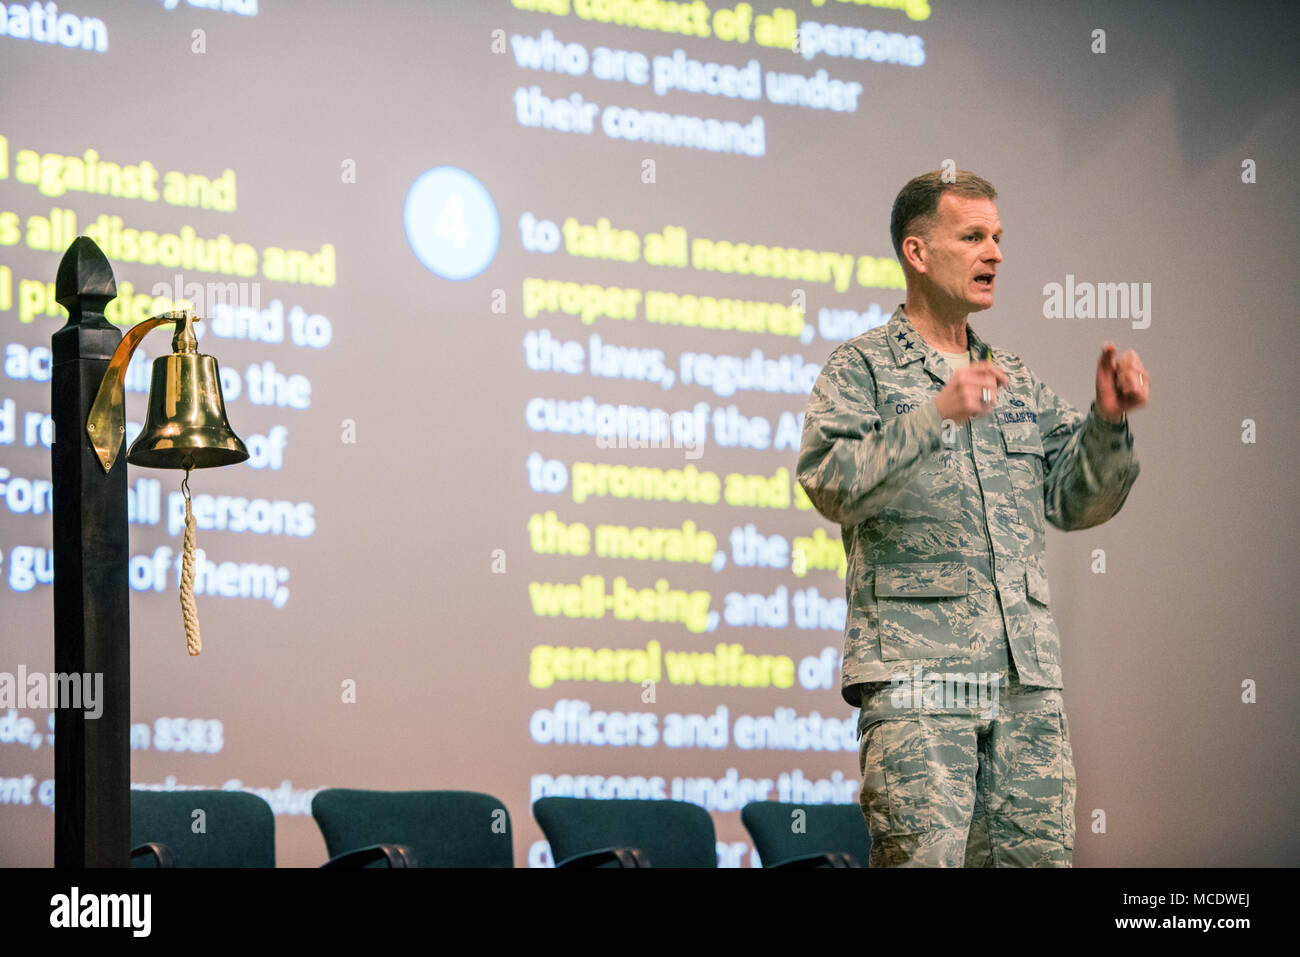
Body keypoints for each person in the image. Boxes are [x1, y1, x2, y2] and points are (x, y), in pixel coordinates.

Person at [796, 169, 1149, 867]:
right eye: (973, 236)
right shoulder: (863, 368)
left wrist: (1107, 423)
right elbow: (831, 480)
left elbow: (1076, 503)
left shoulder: (1012, 378)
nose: (995, 252)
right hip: (921, 686)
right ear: (917, 252)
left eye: (998, 237)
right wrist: (937, 414)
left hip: (1026, 691)